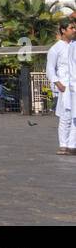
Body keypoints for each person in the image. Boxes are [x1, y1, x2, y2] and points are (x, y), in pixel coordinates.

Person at [45, 18, 76, 153]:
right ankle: (63, 144)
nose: (74, 30)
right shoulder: (55, 48)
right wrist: (58, 84)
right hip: (65, 87)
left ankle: (72, 145)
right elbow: (50, 69)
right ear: (63, 30)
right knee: (65, 116)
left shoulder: (75, 45)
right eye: (71, 28)